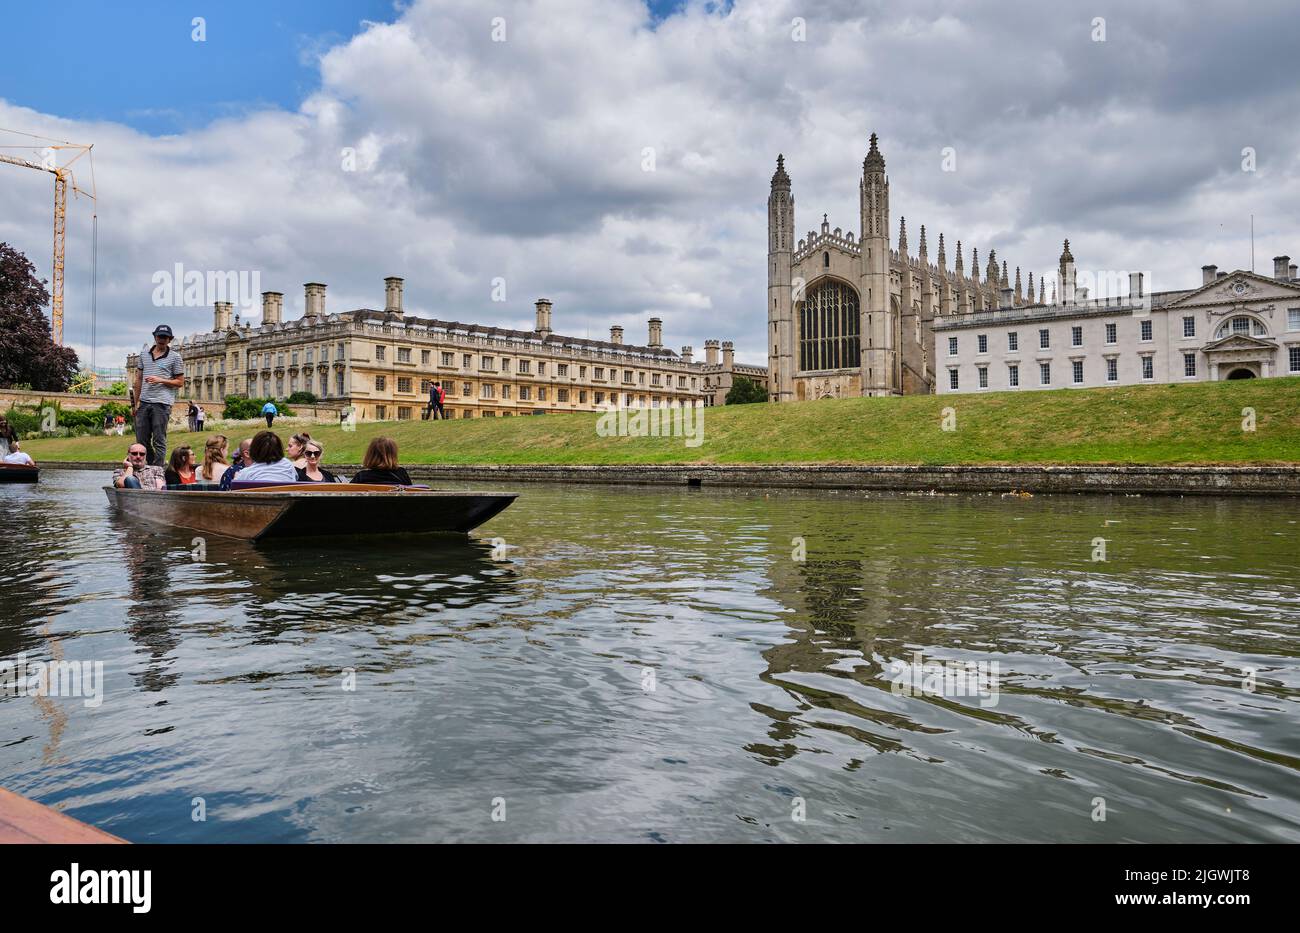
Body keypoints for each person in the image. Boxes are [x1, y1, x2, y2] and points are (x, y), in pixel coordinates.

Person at [133, 324, 185, 466]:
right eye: (159, 336)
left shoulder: (175, 358)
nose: (161, 340)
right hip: (144, 402)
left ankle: (157, 470)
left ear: (170, 339)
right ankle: (147, 467)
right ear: (154, 337)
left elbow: (180, 382)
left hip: (162, 403)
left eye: (165, 337)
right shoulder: (144, 354)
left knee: (159, 439)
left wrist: (160, 380)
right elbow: (138, 379)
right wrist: (134, 403)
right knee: (141, 440)